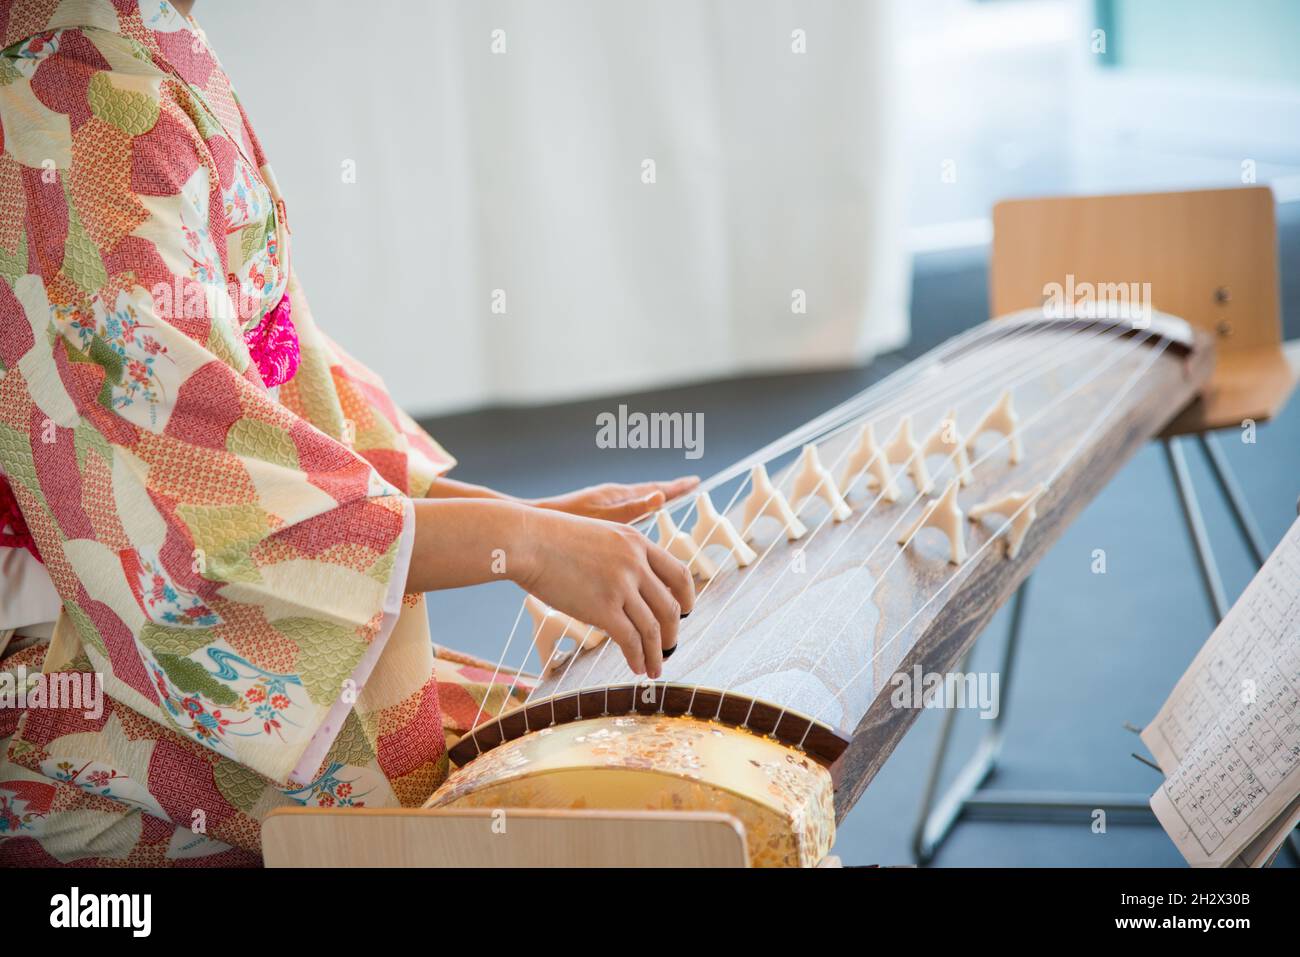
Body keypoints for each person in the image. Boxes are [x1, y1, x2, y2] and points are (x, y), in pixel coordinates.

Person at [0, 0, 695, 865]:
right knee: (556, 818)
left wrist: (516, 520)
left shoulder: (129, 52)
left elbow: (277, 373)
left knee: (566, 741)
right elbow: (194, 514)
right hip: (62, 672)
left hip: (118, 620)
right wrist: (519, 543)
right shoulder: (69, 102)